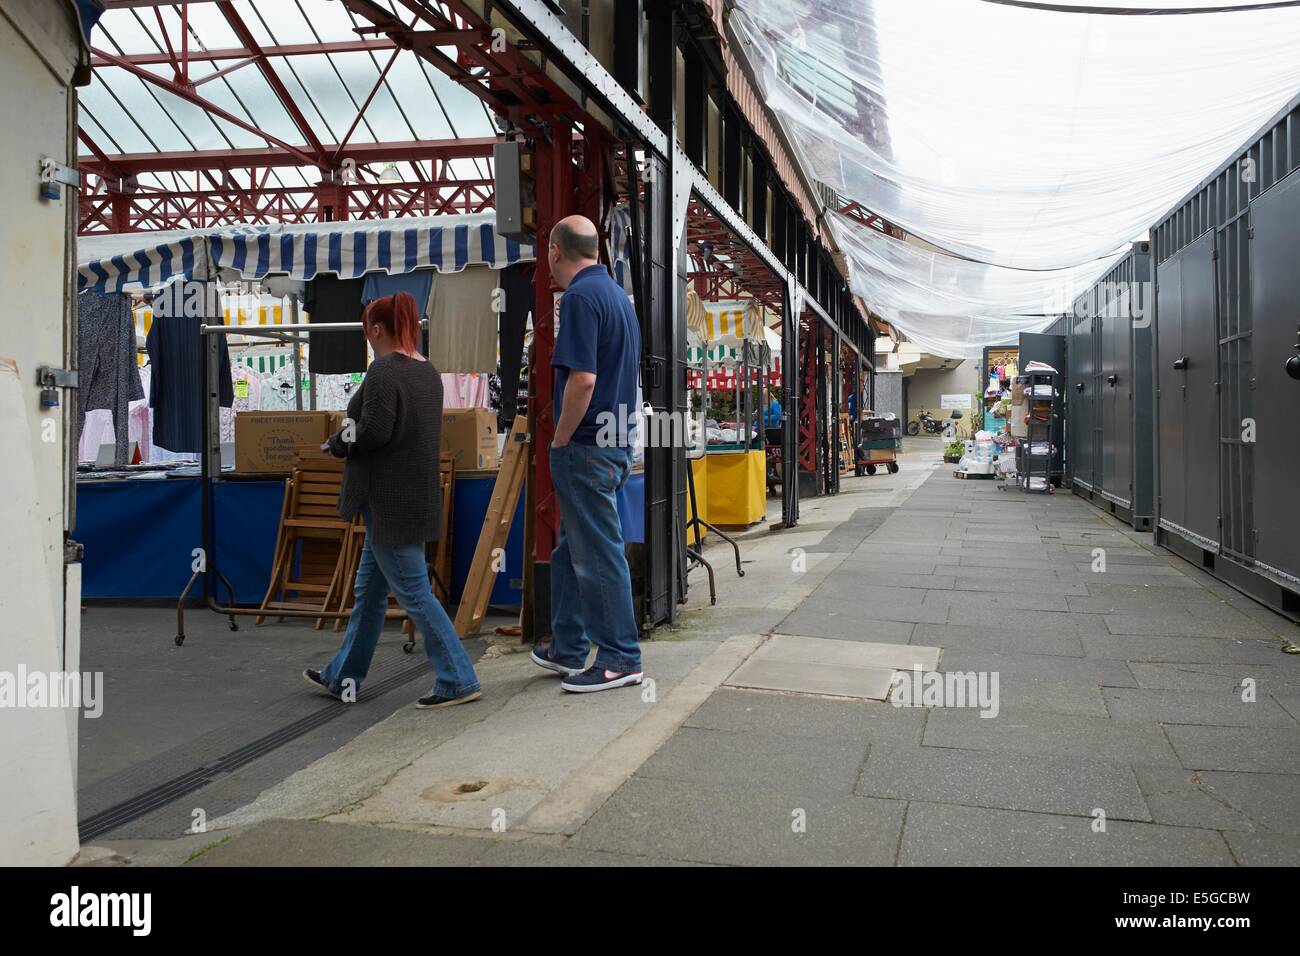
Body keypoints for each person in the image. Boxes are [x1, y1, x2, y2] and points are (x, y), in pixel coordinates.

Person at [303, 291, 481, 710]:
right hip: (413, 494)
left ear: (375, 329)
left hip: (388, 500)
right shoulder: (427, 371)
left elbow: (374, 430)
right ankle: (343, 675)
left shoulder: (383, 371)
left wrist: (337, 442)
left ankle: (458, 678)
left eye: (367, 329)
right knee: (369, 592)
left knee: (415, 594)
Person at [530, 215, 644, 693]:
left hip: (586, 445)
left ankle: (620, 656)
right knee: (574, 548)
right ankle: (568, 644)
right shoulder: (619, 297)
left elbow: (583, 379)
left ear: (555, 250)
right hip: (615, 441)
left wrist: (559, 437)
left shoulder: (577, 298)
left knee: (596, 550)